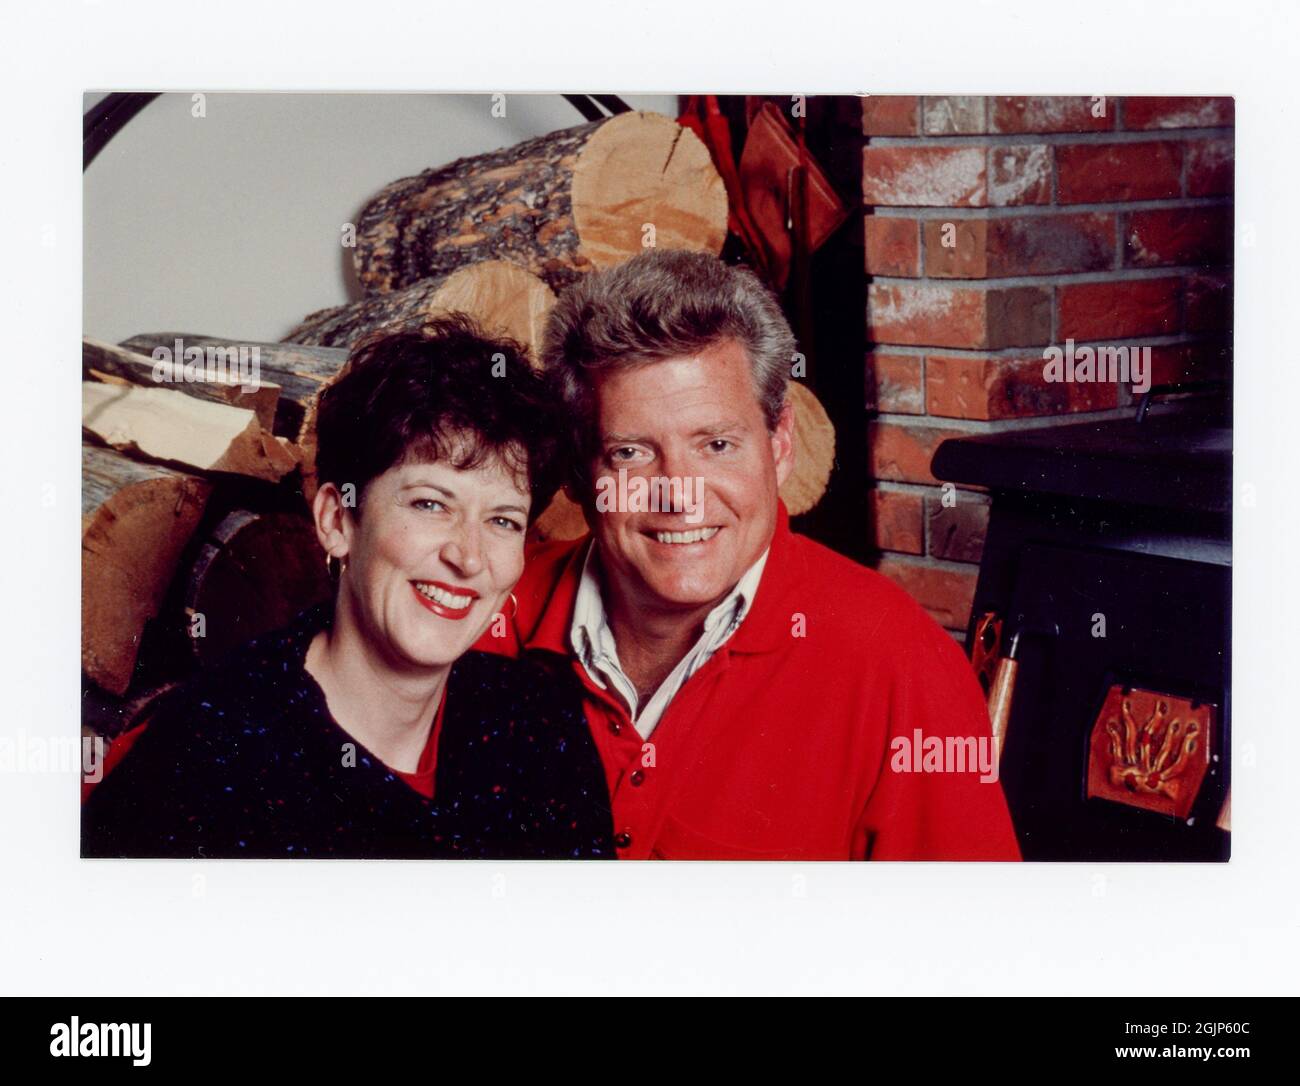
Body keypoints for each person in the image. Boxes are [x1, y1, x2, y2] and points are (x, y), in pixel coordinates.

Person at [477, 249, 1022, 860]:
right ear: (579, 471)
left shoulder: (899, 664)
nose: (680, 495)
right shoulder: (489, 613)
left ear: (781, 444)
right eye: (631, 453)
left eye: (716, 444)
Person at [83, 316, 614, 859]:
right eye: (430, 504)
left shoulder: (538, 724)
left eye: (502, 520)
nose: (468, 556)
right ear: (338, 521)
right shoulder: (202, 755)